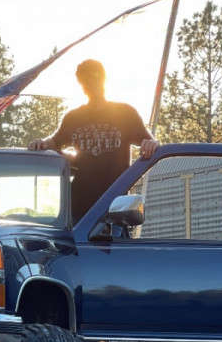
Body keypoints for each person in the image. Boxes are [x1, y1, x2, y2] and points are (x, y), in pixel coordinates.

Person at [29, 59, 158, 224]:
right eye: (85, 80)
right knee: (76, 249)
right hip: (79, 210)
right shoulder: (74, 118)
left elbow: (150, 142)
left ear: (103, 79)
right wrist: (41, 143)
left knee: (118, 246)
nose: (90, 84)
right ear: (81, 85)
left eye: (94, 78)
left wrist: (153, 144)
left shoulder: (124, 113)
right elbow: (54, 142)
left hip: (115, 209)